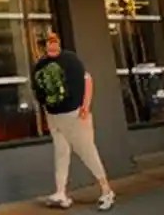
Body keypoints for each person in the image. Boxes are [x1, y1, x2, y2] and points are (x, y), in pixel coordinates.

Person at [31, 32, 115, 211]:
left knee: (87, 151)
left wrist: (85, 106)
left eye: (54, 42)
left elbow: (87, 80)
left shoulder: (71, 60)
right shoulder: (40, 65)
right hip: (55, 116)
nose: (52, 45)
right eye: (48, 43)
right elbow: (40, 91)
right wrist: (47, 113)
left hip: (74, 114)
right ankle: (61, 192)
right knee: (61, 153)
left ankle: (106, 189)